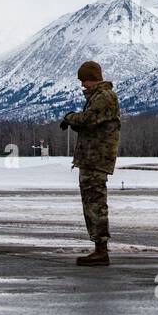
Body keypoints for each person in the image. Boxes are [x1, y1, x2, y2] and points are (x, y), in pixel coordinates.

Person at [59, 61, 121, 266]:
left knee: (95, 203)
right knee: (91, 202)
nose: (82, 85)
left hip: (96, 159)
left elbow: (88, 119)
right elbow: (92, 124)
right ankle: (98, 247)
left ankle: (101, 249)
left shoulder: (104, 97)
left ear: (91, 78)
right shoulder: (98, 97)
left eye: (83, 80)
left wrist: (70, 118)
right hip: (90, 158)